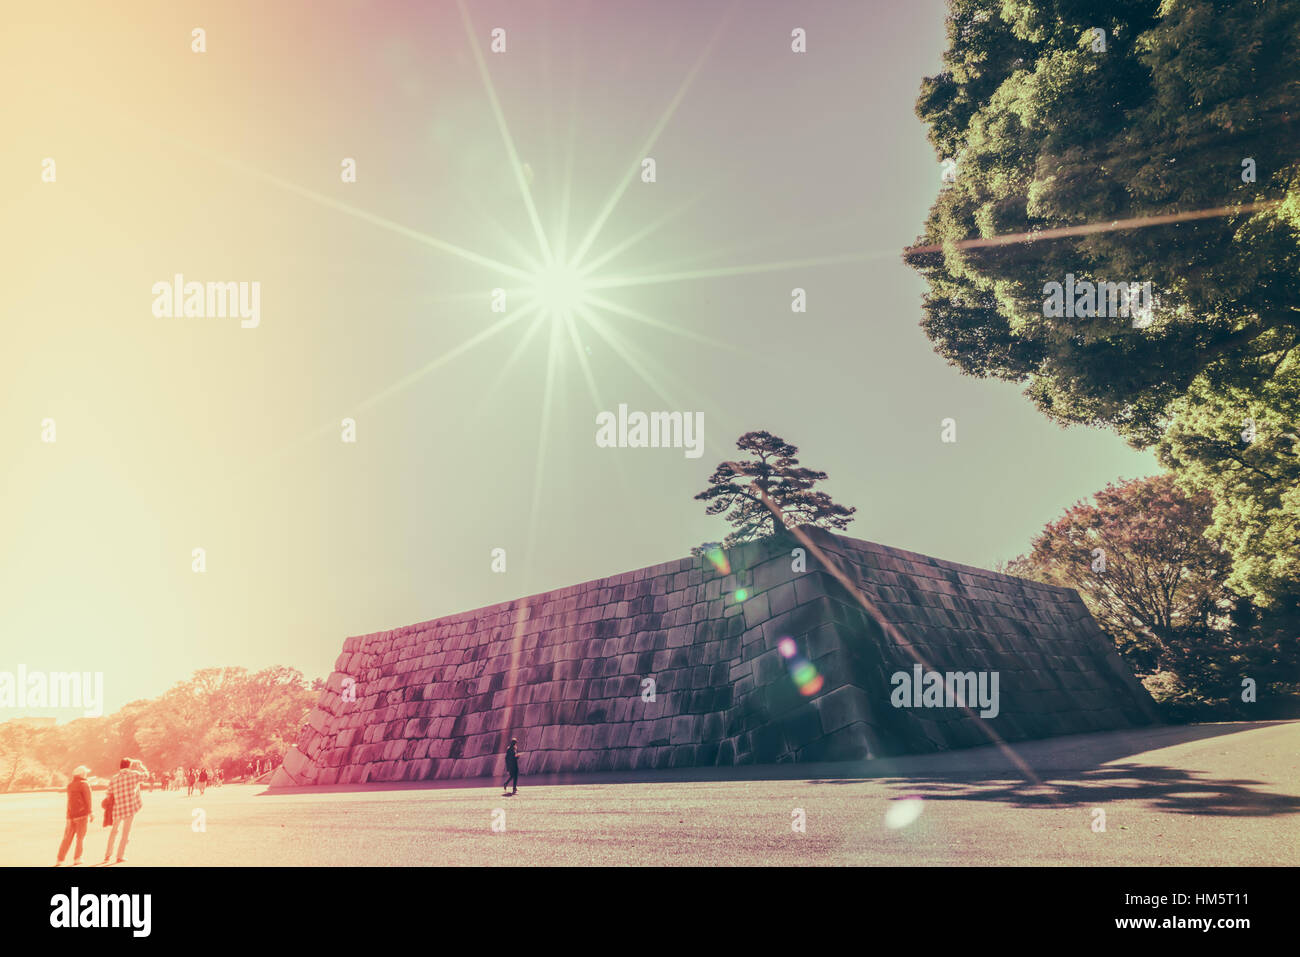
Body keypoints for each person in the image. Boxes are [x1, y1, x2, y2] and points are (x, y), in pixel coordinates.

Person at [103, 757, 149, 864]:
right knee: (125, 834)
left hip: (117, 809)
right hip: (129, 808)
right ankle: (120, 856)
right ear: (129, 766)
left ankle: (107, 855)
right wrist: (141, 765)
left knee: (114, 832)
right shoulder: (134, 774)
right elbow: (146, 775)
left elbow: (109, 793)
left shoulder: (114, 778)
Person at [55, 766, 93, 866]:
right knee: (80, 838)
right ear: (81, 774)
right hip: (82, 815)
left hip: (70, 815)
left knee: (67, 838)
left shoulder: (70, 785)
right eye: (85, 773)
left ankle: (60, 860)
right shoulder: (85, 784)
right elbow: (88, 800)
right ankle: (77, 858)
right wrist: (91, 813)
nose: (86, 774)